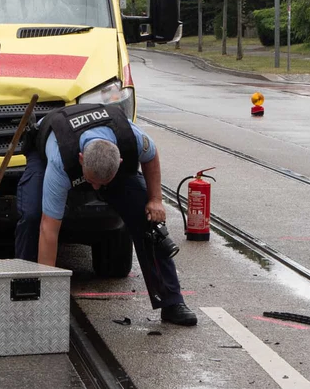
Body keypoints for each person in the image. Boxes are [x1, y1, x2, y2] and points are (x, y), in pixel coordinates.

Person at [15, 103, 198, 326]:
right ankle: (28, 300)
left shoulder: (131, 138)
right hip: (48, 147)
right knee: (33, 216)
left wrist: (155, 200)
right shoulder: (59, 161)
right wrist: (49, 296)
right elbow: (49, 230)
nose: (95, 189)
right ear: (81, 159)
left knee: (148, 218)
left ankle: (171, 301)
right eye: (91, 182)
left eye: (101, 184)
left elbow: (151, 155)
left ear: (120, 162)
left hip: (102, 160)